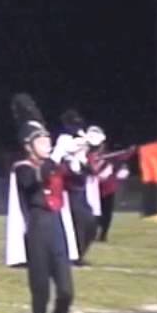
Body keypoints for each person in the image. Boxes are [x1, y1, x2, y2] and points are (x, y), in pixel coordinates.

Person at [6, 94, 78, 313]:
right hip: (37, 229)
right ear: (29, 145)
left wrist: (78, 158)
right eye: (42, 140)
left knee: (67, 291)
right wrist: (57, 155)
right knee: (40, 290)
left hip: (57, 226)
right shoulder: (23, 167)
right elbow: (33, 181)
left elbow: (78, 182)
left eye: (48, 139)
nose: (47, 143)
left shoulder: (54, 165)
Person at [58, 109, 97, 264]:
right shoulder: (64, 140)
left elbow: (84, 161)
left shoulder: (80, 138)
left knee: (91, 225)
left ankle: (79, 254)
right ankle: (76, 257)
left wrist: (87, 167)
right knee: (81, 224)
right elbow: (61, 162)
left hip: (81, 191)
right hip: (70, 191)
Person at [89, 128, 132, 242]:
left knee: (106, 212)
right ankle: (92, 233)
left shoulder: (109, 156)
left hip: (107, 188)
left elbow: (123, 157)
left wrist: (130, 151)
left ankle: (103, 234)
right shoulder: (89, 155)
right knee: (94, 212)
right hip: (94, 188)